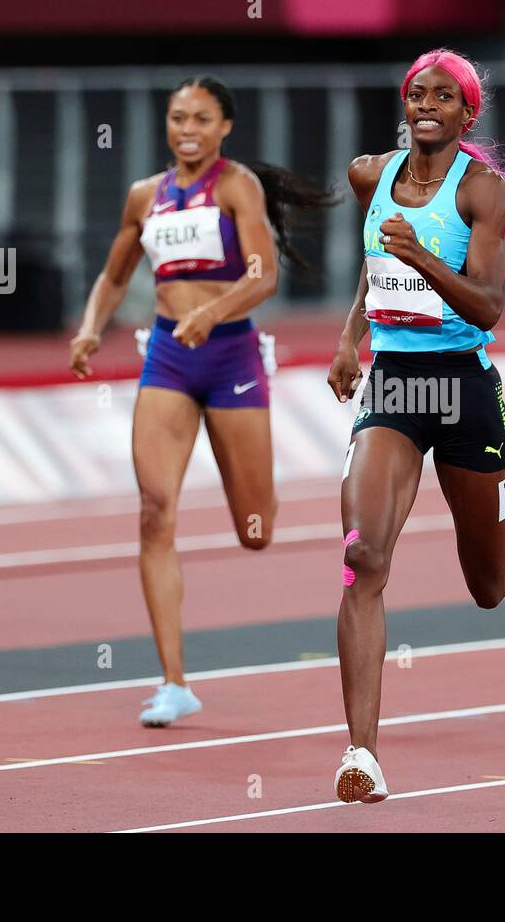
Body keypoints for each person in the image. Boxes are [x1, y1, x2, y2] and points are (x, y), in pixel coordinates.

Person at [326, 49, 505, 803]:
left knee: (489, 586)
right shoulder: (371, 173)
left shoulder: (482, 193)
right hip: (394, 386)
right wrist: (348, 340)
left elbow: (489, 306)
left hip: (464, 390)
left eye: (442, 95)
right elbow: (375, 259)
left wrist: (422, 254)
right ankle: (361, 754)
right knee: (362, 558)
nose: (425, 102)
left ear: (467, 115)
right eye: (414, 92)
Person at [69, 76, 336, 726]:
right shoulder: (145, 197)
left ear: (224, 128)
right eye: (177, 117)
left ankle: (256, 498)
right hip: (167, 358)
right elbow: (113, 274)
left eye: (201, 119)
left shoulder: (235, 185)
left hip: (231, 360)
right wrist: (88, 328)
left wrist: (211, 314)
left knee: (256, 532)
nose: (187, 128)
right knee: (154, 510)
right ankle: (174, 681)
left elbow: (263, 274)